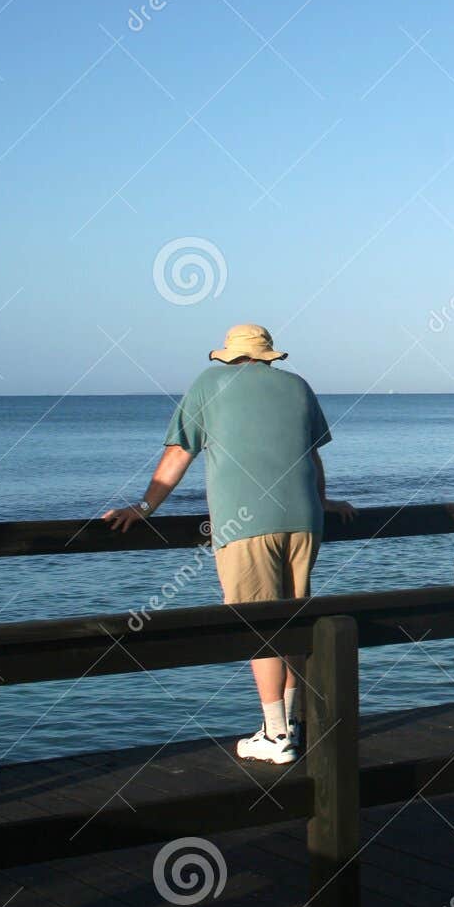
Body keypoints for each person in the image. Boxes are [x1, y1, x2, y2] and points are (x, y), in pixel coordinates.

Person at [103, 323, 355, 765]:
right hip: (304, 521)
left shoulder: (209, 384)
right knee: (294, 619)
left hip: (247, 525)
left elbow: (179, 453)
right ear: (268, 356)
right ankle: (291, 724)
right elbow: (312, 457)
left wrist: (144, 507)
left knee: (258, 625)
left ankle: (276, 736)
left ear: (228, 356)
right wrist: (323, 502)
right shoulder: (298, 386)